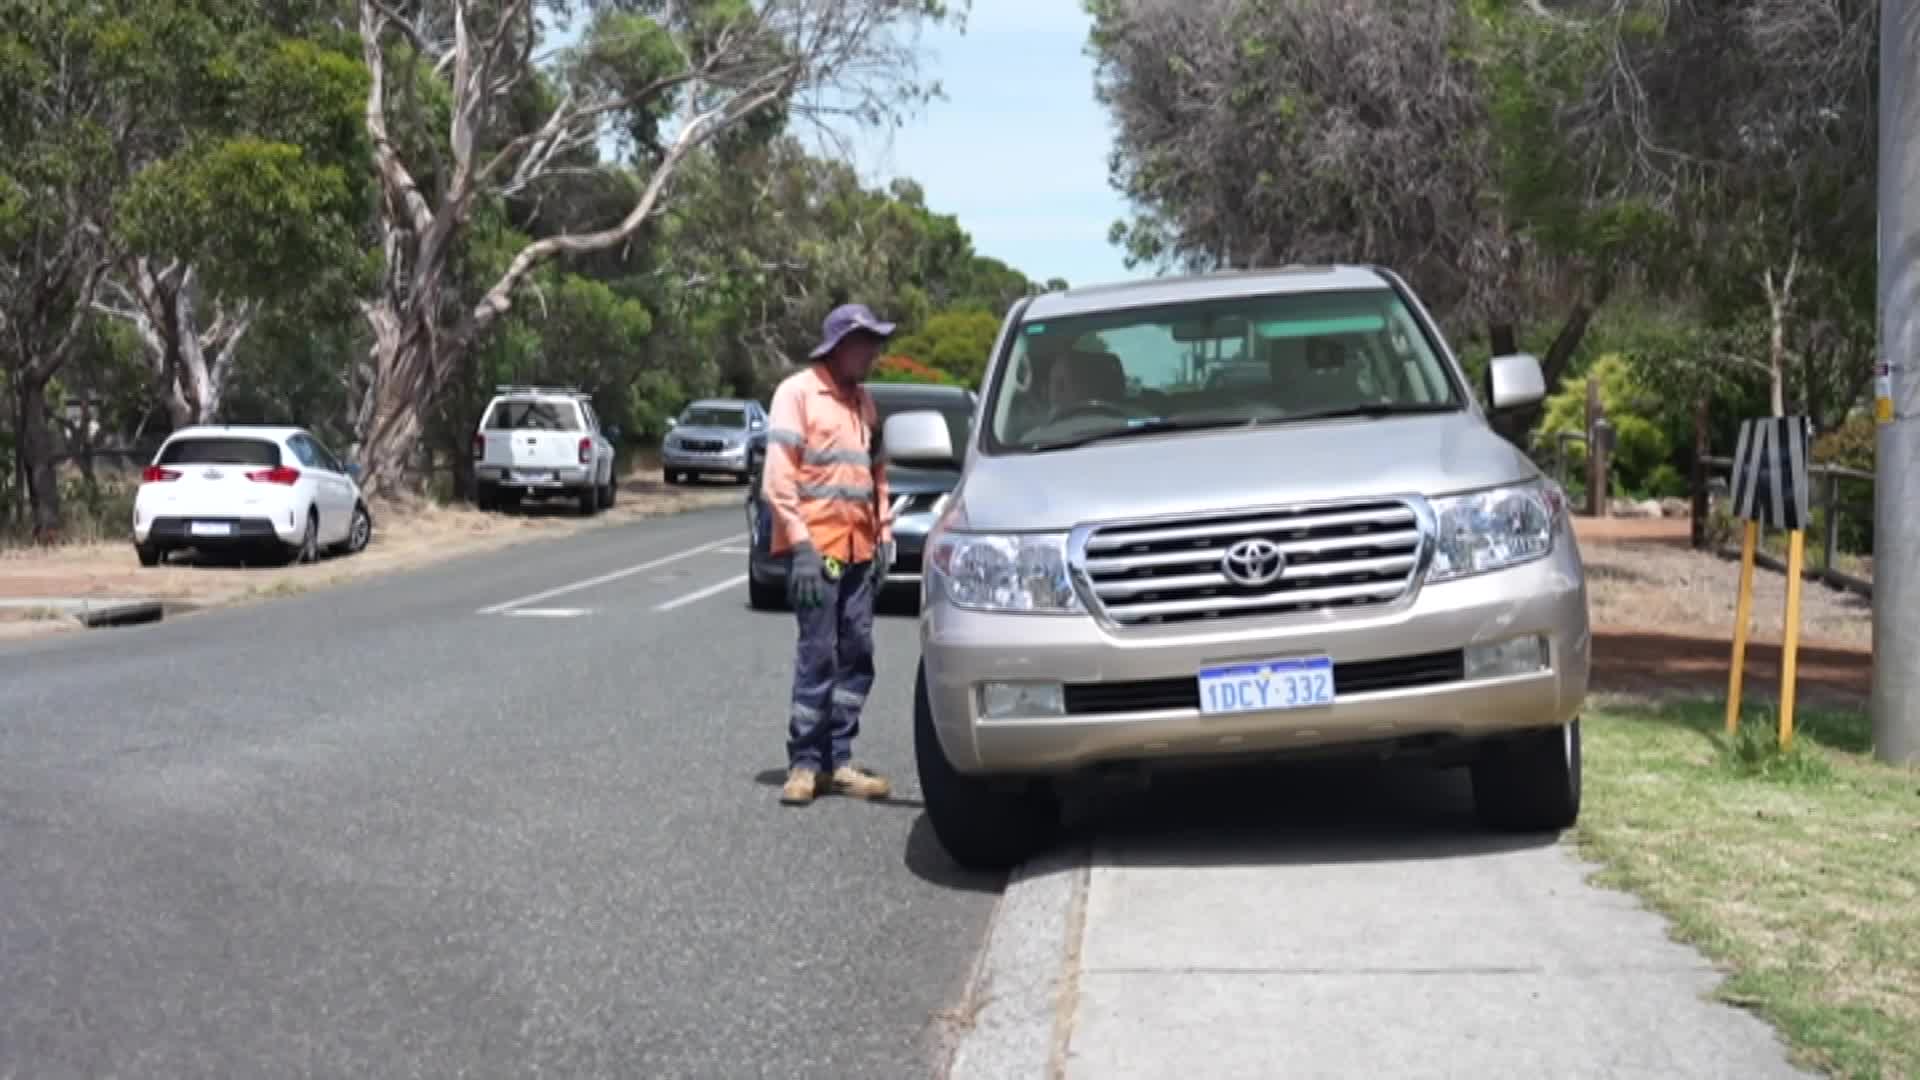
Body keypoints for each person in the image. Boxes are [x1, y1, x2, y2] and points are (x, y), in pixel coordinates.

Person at [761, 303, 898, 806]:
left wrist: (884, 534)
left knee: (857, 652)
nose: (872, 353)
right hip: (816, 552)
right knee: (818, 653)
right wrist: (798, 545)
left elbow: (877, 473)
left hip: (859, 548)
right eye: (865, 343)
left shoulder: (865, 404)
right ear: (839, 345)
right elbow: (777, 479)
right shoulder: (796, 394)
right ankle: (804, 763)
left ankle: (838, 759)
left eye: (875, 343)